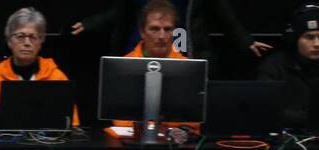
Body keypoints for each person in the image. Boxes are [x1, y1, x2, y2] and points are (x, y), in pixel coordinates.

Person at [71, 0, 270, 71]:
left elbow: (222, 11)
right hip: (142, 44)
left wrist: (245, 40)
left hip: (184, 42)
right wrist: (91, 23)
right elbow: (121, 11)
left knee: (180, 85)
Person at [105, 1, 201, 141]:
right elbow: (120, 120)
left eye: (167, 29)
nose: (162, 36)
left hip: (175, 148)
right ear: (142, 32)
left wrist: (178, 131)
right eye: (155, 29)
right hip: (132, 146)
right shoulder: (123, 66)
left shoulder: (189, 69)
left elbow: (193, 124)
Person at [0, 7, 79, 129]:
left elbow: (73, 127)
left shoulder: (58, 79)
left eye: (33, 37)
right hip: (3, 147)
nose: (27, 42)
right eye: (20, 36)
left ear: (41, 41)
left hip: (51, 146)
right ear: (9, 41)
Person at [256, 4, 319, 130]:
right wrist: (315, 119)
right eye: (309, 37)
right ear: (294, 39)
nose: (317, 44)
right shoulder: (274, 67)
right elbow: (266, 108)